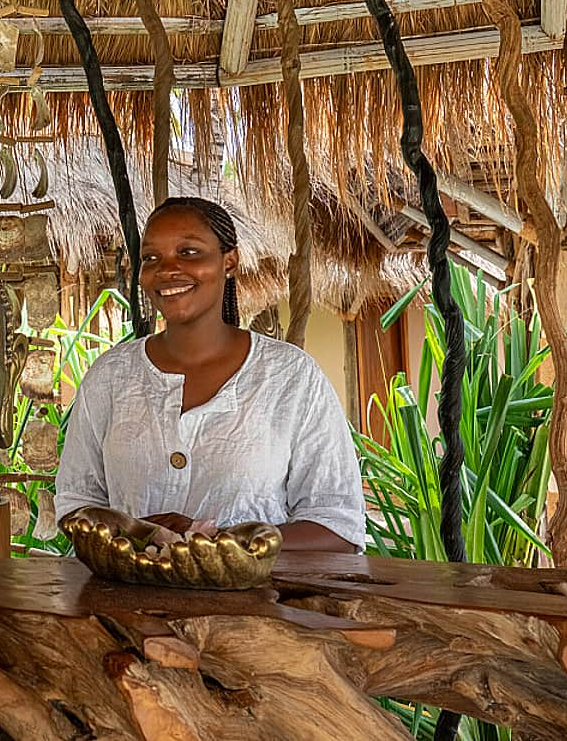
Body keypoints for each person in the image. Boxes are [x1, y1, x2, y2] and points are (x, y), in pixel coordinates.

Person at [55, 196, 365, 553]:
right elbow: (75, 503)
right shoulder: (111, 378)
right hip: (126, 605)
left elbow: (337, 526)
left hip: (257, 606)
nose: (167, 269)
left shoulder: (290, 377)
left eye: (189, 252)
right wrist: (133, 531)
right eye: (151, 258)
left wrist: (219, 545)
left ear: (229, 261)